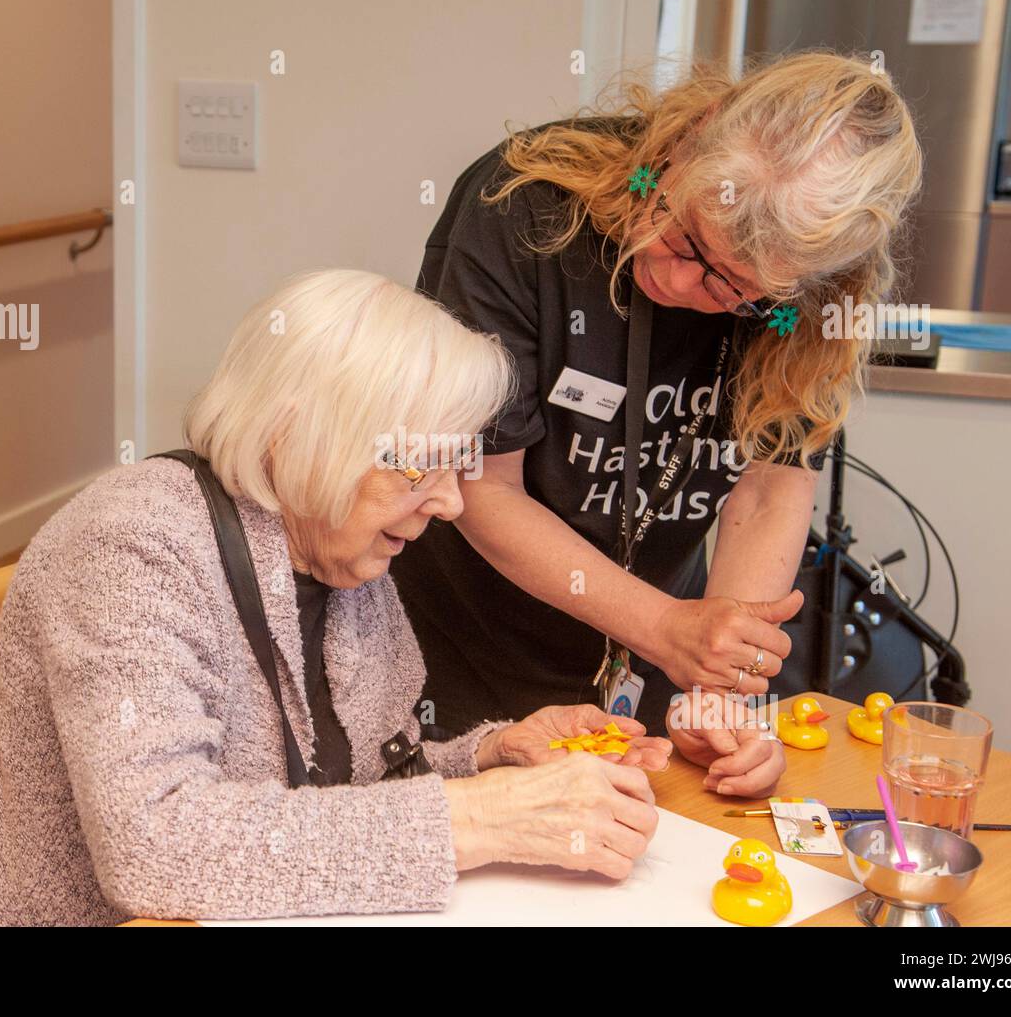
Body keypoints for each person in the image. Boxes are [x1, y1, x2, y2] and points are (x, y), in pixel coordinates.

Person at [0, 269, 672, 925]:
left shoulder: (337, 551)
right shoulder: (129, 545)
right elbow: (155, 841)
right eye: (423, 463)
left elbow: (348, 786)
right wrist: (481, 817)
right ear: (296, 436)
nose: (453, 501)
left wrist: (488, 758)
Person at [391, 52, 923, 797]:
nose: (677, 281)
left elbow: (770, 493)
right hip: (460, 641)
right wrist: (670, 631)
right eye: (684, 235)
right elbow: (482, 486)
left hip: (650, 653)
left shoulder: (812, 309)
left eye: (734, 289)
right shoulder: (523, 205)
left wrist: (720, 696)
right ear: (692, 138)